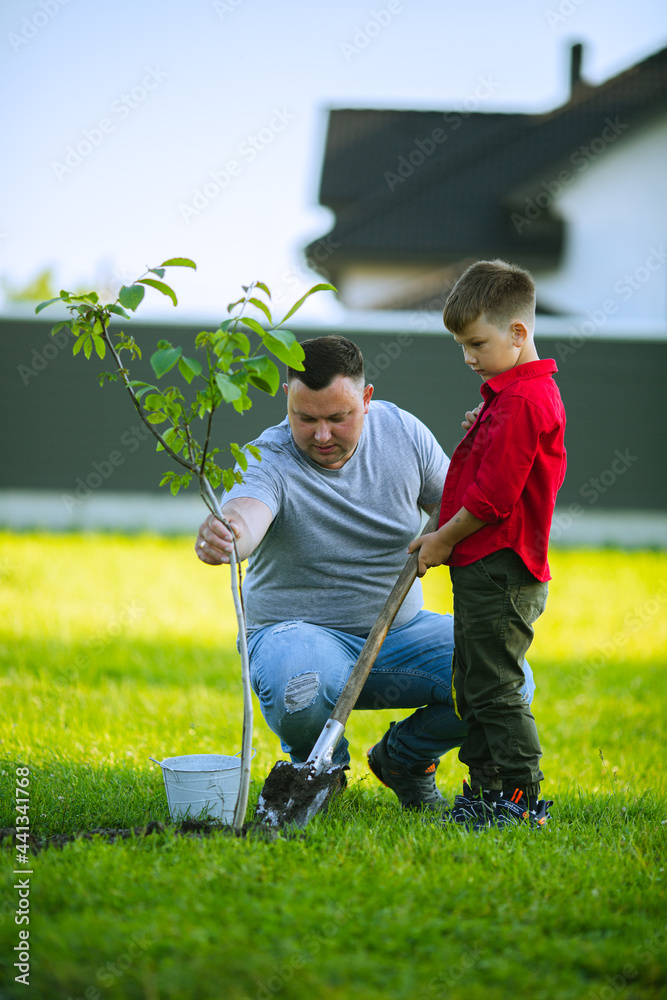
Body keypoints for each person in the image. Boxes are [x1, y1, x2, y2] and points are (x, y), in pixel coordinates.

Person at [195, 335, 536, 812]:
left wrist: (489, 449)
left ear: (367, 399)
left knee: (505, 681)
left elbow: (457, 505)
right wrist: (229, 534)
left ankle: (405, 759)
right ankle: (320, 770)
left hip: (400, 634)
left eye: (338, 418)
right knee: (301, 687)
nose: (321, 436)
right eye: (306, 418)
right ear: (287, 401)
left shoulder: (402, 432)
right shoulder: (268, 456)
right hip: (296, 636)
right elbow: (248, 512)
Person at [408, 260, 566, 829]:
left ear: (518, 332)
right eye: (462, 345)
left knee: (496, 685)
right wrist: (487, 417)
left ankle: (521, 800)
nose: (469, 356)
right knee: (471, 681)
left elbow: (496, 497)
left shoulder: (524, 401)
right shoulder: (512, 397)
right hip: (484, 564)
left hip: (503, 565)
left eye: (477, 342)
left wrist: (441, 540)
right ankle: (485, 791)